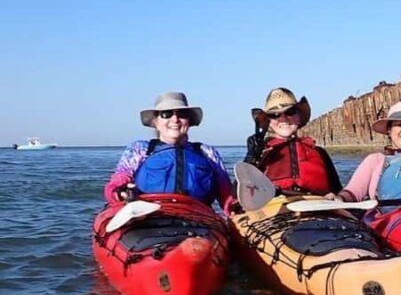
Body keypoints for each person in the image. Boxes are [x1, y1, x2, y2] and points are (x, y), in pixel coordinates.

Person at [104, 91, 235, 213]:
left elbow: (226, 194)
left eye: (182, 114)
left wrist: (235, 207)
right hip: (149, 218)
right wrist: (120, 193)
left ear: (189, 121)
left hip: (199, 218)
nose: (175, 119)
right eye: (166, 114)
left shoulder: (208, 153)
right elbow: (116, 184)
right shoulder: (139, 150)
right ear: (155, 121)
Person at [244, 87, 342, 196]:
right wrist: (250, 158)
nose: (283, 118)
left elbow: (337, 191)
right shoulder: (261, 153)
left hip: (316, 206)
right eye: (275, 114)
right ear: (268, 121)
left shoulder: (319, 152)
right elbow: (238, 194)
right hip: (275, 209)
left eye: (290, 112)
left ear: (299, 116)